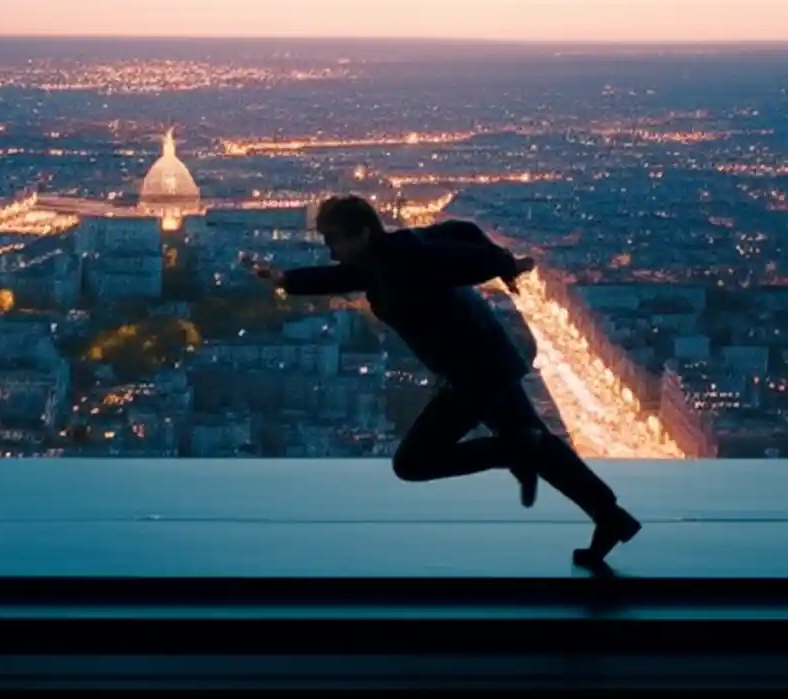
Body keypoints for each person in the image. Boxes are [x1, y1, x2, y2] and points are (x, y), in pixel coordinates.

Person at [247, 195, 641, 566]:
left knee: (414, 461)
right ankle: (609, 516)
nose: (331, 250)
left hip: (474, 369)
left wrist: (505, 264)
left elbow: (464, 258)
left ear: (362, 233)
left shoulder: (404, 257)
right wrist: (284, 279)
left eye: (334, 240)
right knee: (540, 445)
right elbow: (460, 231)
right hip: (485, 359)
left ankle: (520, 454)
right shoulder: (387, 254)